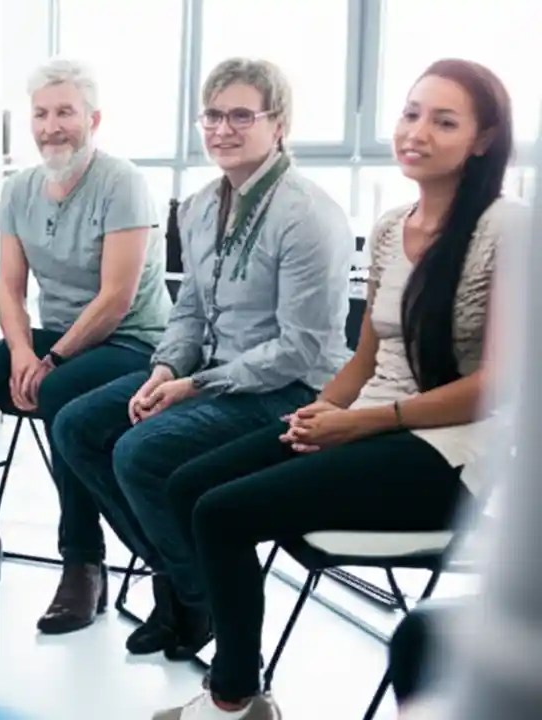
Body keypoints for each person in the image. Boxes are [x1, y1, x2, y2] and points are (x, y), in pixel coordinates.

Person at [155, 59, 522, 719]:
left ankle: (233, 699)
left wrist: (359, 423)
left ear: (484, 139)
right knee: (186, 487)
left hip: (451, 453)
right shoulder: (389, 226)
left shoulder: (509, 228)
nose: (416, 132)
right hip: (372, 424)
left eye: (444, 122)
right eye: (411, 113)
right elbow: (366, 358)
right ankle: (239, 683)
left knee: (221, 512)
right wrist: (322, 410)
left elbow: (496, 388)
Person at [48, 57, 354, 647]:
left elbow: (298, 349)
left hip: (292, 391)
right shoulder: (198, 207)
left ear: (279, 124)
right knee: (76, 425)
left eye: (241, 116)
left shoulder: (310, 216)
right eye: (211, 116)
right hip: (212, 376)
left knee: (139, 452)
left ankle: (197, 598)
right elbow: (188, 309)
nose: (221, 129)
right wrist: (164, 368)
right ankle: (183, 578)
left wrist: (191, 386)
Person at [0, 57, 172, 611]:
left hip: (132, 342)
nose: (51, 126)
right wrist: (21, 351)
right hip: (58, 339)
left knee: (61, 392)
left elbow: (116, 298)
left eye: (65, 112)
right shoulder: (19, 190)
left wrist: (51, 362)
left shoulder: (123, 183)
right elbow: (9, 289)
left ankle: (83, 560)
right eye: (41, 114)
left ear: (93, 119)